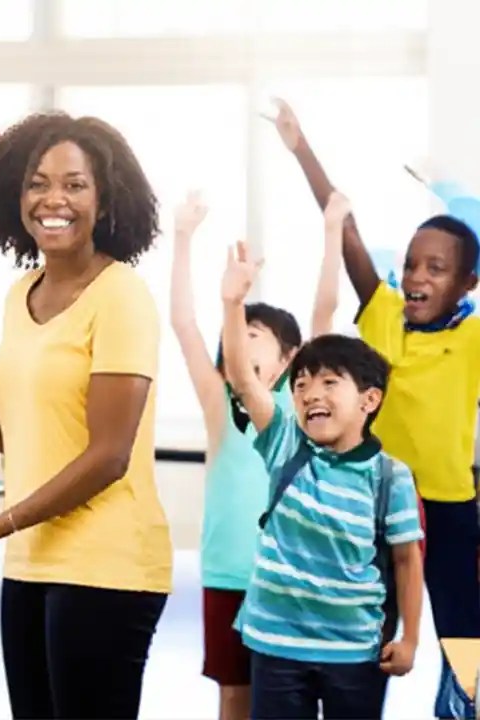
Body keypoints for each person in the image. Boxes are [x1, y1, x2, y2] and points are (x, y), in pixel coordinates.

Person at [0, 110, 169, 719]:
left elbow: (108, 455)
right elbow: (17, 436)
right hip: (31, 559)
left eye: (75, 184)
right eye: (37, 182)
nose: (54, 198)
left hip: (108, 564)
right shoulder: (18, 294)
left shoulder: (122, 295)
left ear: (105, 201)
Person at [271, 97, 480, 719]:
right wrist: (299, 146)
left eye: (436, 269)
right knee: (367, 635)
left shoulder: (472, 337)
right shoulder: (384, 312)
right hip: (373, 507)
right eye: (411, 263)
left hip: (446, 509)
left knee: (464, 635)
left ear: (466, 284)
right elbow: (349, 230)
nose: (416, 275)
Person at [220, 240, 425, 719]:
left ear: (369, 400)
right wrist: (232, 303)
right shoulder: (285, 443)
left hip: (355, 651)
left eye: (329, 382)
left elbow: (406, 562)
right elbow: (244, 379)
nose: (311, 393)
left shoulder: (390, 476)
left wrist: (410, 639)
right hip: (276, 644)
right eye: (302, 384)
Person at [169, 189, 346, 719]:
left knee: (291, 697)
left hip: (293, 577)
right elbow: (184, 324)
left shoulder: (301, 405)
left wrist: (333, 230)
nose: (239, 342)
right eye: (237, 333)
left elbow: (325, 309)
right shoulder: (217, 400)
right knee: (233, 696)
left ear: (290, 359)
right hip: (229, 574)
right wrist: (181, 237)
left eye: (255, 335)